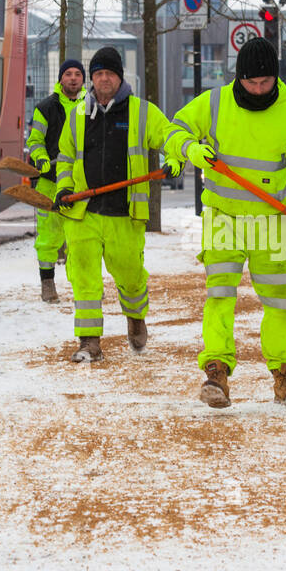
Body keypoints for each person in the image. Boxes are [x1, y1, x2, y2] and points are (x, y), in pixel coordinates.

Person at [166, 36, 286, 408]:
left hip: (273, 220)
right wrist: (191, 148)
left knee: (281, 301)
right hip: (224, 216)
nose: (257, 89)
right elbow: (175, 130)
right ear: (238, 78)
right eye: (250, 83)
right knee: (219, 294)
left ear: (276, 78)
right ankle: (217, 371)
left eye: (264, 82)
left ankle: (284, 375)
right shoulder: (215, 102)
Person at [53, 45, 183, 362]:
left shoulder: (141, 111)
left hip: (124, 213)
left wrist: (176, 158)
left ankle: (136, 318)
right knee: (83, 276)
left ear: (119, 77)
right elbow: (66, 159)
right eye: (98, 74)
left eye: (109, 73)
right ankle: (89, 341)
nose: (103, 79)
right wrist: (64, 187)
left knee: (129, 273)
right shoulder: (78, 115)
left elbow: (168, 134)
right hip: (83, 213)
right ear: (91, 79)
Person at [26, 58, 84, 302]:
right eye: (68, 73)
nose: (73, 78)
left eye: (77, 74)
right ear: (61, 78)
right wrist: (40, 158)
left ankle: (81, 287)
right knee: (48, 236)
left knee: (79, 237)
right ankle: (47, 285)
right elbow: (35, 140)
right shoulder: (45, 108)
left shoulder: (91, 107)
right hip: (49, 181)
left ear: (83, 79)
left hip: (81, 182)